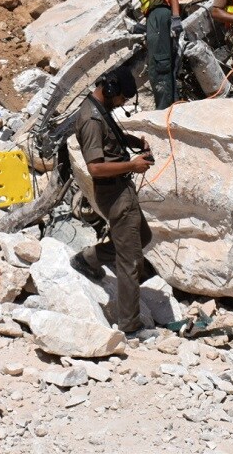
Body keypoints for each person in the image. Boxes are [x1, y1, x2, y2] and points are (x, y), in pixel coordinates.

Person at [69, 66, 155, 338]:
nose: (122, 104)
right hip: (114, 193)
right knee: (131, 262)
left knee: (142, 236)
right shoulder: (91, 119)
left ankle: (88, 258)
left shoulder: (100, 108)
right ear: (110, 90)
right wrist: (133, 165)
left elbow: (111, 137)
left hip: (121, 189)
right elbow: (95, 168)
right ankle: (130, 326)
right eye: (122, 98)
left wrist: (134, 142)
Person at [118, 0, 181, 109]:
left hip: (160, 14)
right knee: (157, 64)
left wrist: (176, 17)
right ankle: (168, 107)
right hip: (154, 17)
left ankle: (165, 109)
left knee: (160, 65)